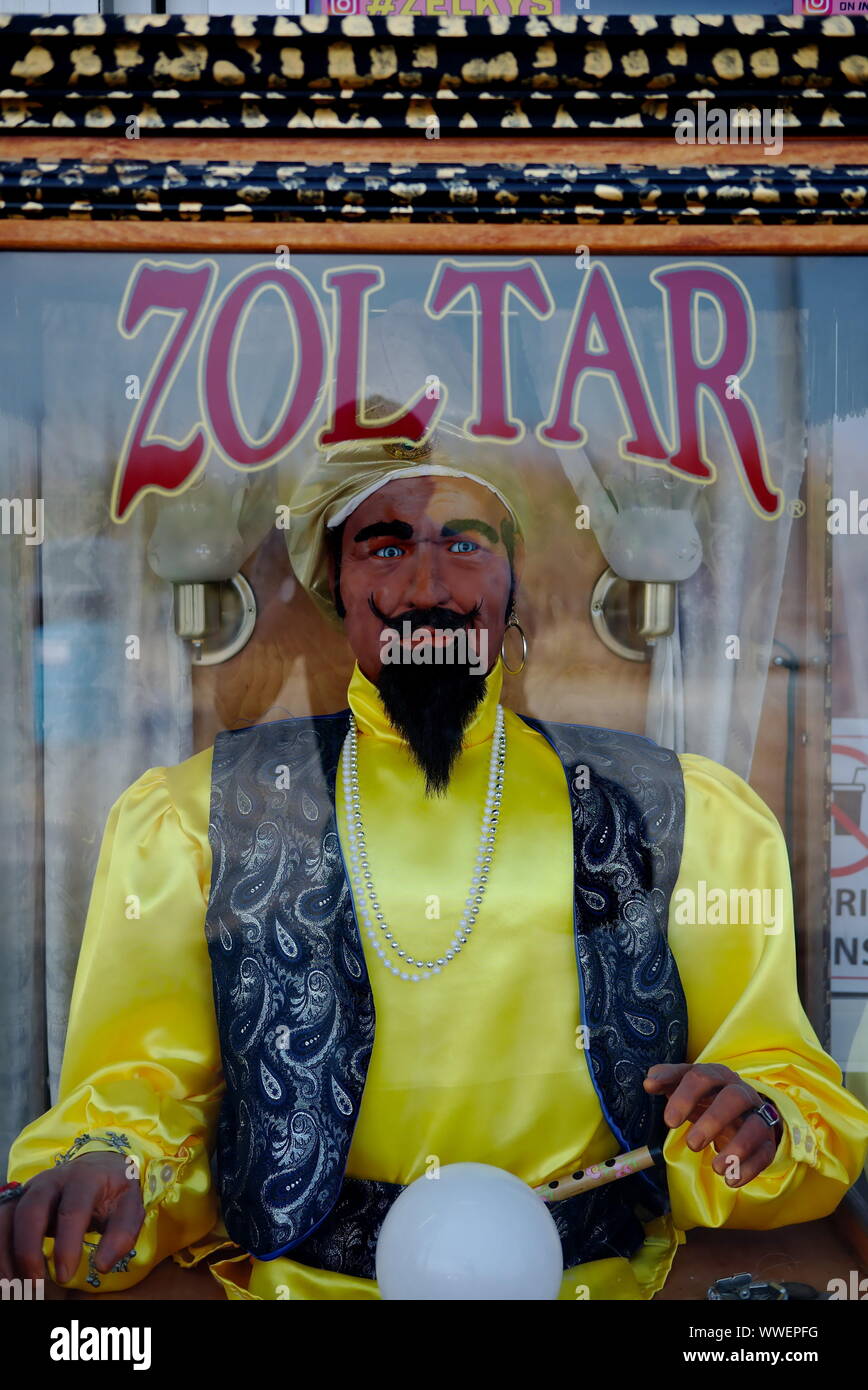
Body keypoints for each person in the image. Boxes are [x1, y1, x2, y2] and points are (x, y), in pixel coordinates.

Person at [3, 422, 867, 1302]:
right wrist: (107, 1164)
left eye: (465, 543)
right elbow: (147, 1093)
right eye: (384, 546)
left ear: (511, 584)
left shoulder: (667, 808)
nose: (428, 585)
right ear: (335, 586)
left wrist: (757, 1117)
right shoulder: (197, 817)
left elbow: (781, 1082)